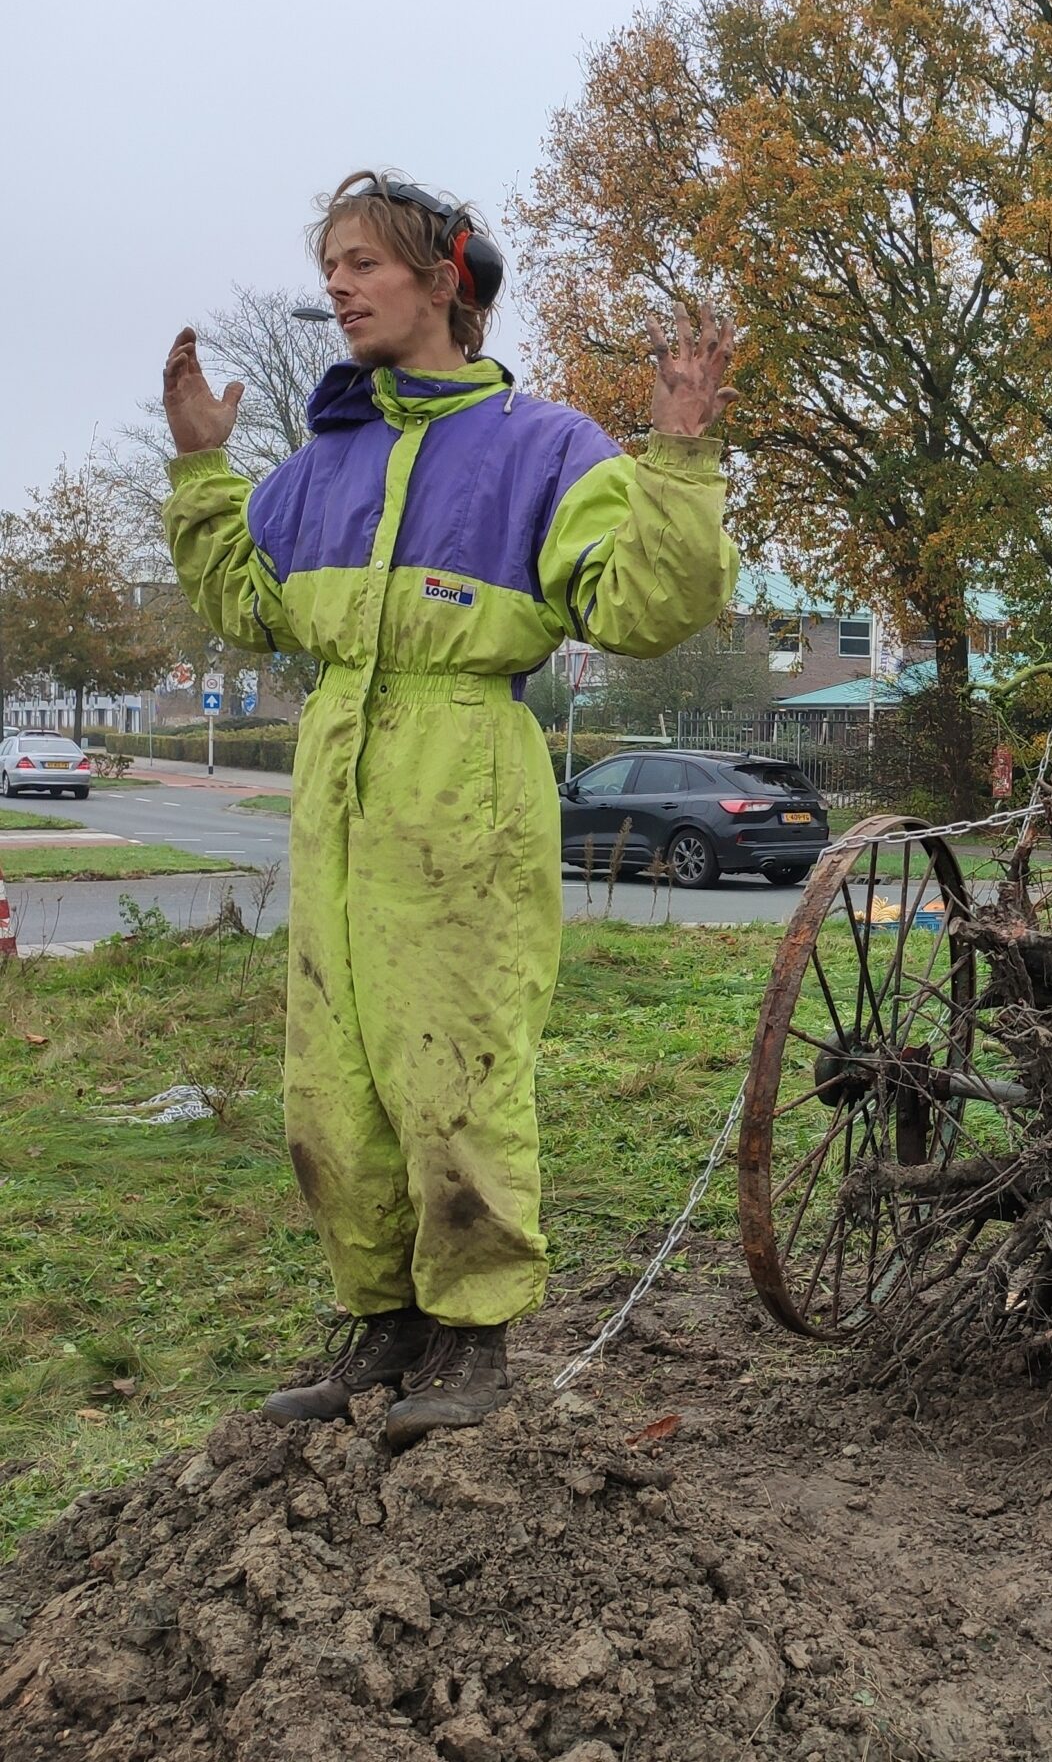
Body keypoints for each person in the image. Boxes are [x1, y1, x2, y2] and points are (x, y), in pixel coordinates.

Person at [161, 170, 738, 1449]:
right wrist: (203, 473)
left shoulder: (547, 448)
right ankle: (380, 1325)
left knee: (455, 1069)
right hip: (341, 781)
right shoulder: (325, 462)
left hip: (465, 773)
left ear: (444, 282)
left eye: (364, 263)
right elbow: (247, 607)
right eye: (333, 267)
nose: (339, 287)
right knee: (335, 1086)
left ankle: (473, 1337)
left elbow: (646, 610)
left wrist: (681, 461)